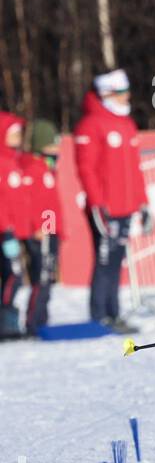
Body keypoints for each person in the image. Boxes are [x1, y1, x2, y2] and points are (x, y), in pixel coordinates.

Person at [73, 69, 148, 334]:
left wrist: (142, 202)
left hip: (126, 207)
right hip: (104, 209)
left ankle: (114, 314)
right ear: (107, 94)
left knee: (117, 261)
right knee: (104, 262)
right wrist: (97, 204)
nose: (127, 97)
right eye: (121, 93)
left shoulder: (126, 124)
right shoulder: (90, 125)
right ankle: (98, 317)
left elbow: (135, 169)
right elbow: (86, 168)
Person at [19, 119, 63, 336]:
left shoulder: (47, 168)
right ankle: (33, 322)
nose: (56, 150)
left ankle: (42, 319)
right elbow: (30, 204)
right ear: (41, 146)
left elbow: (50, 204)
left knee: (48, 276)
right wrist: (40, 227)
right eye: (52, 146)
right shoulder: (31, 168)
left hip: (50, 229)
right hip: (41, 232)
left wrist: (57, 228)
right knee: (41, 277)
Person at [0, 107, 26, 340]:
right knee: (13, 275)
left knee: (14, 275)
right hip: (4, 232)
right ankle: (6, 322)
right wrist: (6, 227)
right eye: (13, 133)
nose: (18, 137)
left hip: (14, 231)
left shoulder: (15, 161)